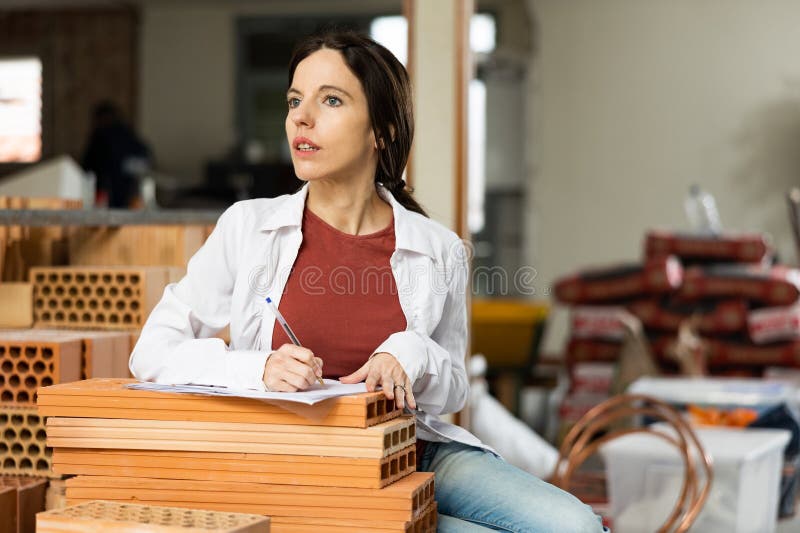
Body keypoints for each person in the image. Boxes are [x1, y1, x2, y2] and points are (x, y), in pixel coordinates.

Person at [130, 30, 607, 533]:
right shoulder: (248, 228)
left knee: (574, 526)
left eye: (330, 100)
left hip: (417, 453)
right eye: (295, 100)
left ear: (380, 129)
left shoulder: (438, 248)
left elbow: (452, 390)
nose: (301, 117)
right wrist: (258, 368)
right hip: (304, 465)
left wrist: (411, 351)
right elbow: (152, 351)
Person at [81, 101, 152, 208]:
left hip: (107, 193)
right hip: (132, 194)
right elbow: (147, 158)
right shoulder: (129, 134)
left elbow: (87, 167)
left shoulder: (100, 135)